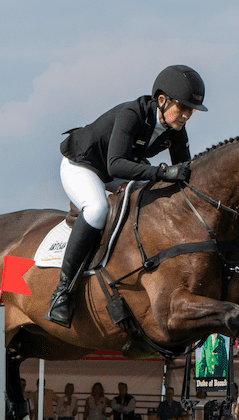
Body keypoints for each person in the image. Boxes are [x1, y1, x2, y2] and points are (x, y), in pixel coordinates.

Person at [45, 65, 207, 327]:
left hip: (118, 168)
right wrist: (162, 172)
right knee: (97, 208)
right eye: (183, 107)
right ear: (162, 100)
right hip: (84, 165)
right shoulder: (132, 114)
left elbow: (184, 172)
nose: (187, 115)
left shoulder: (176, 129)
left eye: (192, 110)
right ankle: (62, 293)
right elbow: (115, 166)